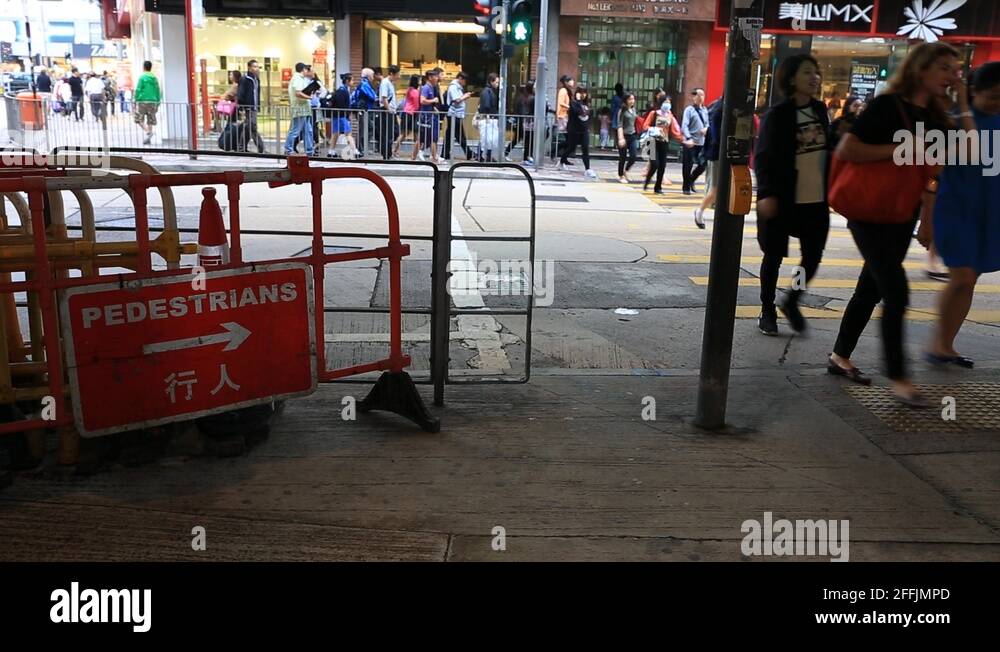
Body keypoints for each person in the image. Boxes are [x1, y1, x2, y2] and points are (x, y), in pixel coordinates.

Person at [828, 42, 961, 408]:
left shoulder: (938, 119)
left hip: (901, 213)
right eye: (946, 68)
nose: (954, 75)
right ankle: (900, 377)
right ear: (921, 70)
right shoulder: (888, 106)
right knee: (897, 292)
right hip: (867, 211)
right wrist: (899, 149)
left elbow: (933, 176)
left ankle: (839, 355)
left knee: (871, 287)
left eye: (956, 69)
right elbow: (847, 151)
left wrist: (927, 223)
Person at [926, 62, 1000, 369]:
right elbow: (934, 172)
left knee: (971, 279)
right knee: (963, 276)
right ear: (974, 92)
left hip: (990, 209)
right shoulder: (954, 121)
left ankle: (946, 344)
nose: (997, 103)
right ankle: (937, 343)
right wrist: (926, 218)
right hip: (956, 208)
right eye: (993, 96)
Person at [754, 55, 831, 338]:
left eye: (816, 72)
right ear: (791, 79)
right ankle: (767, 308)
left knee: (811, 258)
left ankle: (792, 299)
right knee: (773, 256)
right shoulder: (778, 114)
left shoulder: (820, 110)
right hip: (782, 198)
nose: (815, 78)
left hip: (815, 199)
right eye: (807, 72)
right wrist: (766, 193)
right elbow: (763, 157)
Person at [642, 92, 683, 194]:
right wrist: (654, 129)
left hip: (664, 142)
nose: (667, 104)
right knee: (655, 164)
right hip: (651, 142)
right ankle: (647, 180)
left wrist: (682, 139)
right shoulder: (654, 114)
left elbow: (674, 130)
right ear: (661, 103)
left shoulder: (670, 116)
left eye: (669, 102)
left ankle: (658, 187)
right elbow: (645, 126)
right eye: (665, 102)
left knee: (662, 166)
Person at [694, 95, 725, 228]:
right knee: (716, 188)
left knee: (718, 188)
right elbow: (717, 137)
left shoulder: (719, 107)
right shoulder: (720, 110)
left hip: (718, 154)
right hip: (717, 154)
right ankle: (699, 212)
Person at [559, 85, 596, 179]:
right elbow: (578, 111)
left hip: (584, 130)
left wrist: (588, 127)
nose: (583, 95)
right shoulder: (573, 103)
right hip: (574, 130)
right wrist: (578, 101)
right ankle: (562, 160)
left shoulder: (587, 104)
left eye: (585, 92)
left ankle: (587, 169)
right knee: (571, 148)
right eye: (581, 92)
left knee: (585, 149)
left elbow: (588, 116)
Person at [681, 88, 709, 195]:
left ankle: (691, 179)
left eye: (702, 95)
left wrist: (706, 129)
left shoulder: (705, 110)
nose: (701, 97)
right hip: (690, 142)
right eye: (698, 95)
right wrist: (688, 138)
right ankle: (686, 187)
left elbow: (707, 124)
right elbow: (684, 125)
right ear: (694, 97)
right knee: (687, 165)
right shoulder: (689, 110)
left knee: (703, 164)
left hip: (701, 142)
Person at [284, 62, 315, 156]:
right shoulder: (297, 78)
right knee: (295, 130)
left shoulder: (299, 78)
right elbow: (298, 93)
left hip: (304, 109)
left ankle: (309, 150)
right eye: (306, 69)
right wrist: (310, 97)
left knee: (308, 130)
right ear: (304, 70)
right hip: (299, 108)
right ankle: (288, 149)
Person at [236, 60, 265, 153]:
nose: (256, 69)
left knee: (248, 128)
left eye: (257, 67)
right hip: (248, 107)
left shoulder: (256, 80)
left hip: (254, 107)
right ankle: (261, 149)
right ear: (249, 68)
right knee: (253, 127)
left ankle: (241, 148)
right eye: (254, 67)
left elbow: (257, 94)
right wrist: (242, 107)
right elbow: (240, 94)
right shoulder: (245, 79)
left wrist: (258, 106)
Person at [414, 68, 442, 163]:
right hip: (425, 117)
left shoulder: (431, 88)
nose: (437, 78)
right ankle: (432, 157)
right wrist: (433, 100)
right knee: (426, 138)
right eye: (435, 76)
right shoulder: (426, 88)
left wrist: (434, 108)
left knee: (428, 138)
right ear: (430, 77)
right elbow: (422, 100)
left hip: (429, 116)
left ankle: (421, 156)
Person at [444, 71, 474, 160]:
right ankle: (469, 153)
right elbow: (456, 100)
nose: (465, 83)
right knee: (460, 135)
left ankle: (444, 153)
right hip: (454, 114)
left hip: (456, 114)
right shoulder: (453, 87)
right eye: (464, 81)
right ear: (460, 79)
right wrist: (465, 96)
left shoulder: (457, 87)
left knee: (449, 135)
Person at [329, 72, 358, 158]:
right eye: (352, 80)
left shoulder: (340, 90)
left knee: (335, 134)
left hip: (336, 115)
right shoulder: (343, 91)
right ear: (347, 81)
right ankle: (355, 151)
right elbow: (344, 105)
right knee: (348, 134)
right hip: (342, 116)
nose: (353, 82)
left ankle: (331, 151)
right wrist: (347, 114)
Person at [351, 68, 378, 156]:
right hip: (362, 110)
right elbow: (372, 96)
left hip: (364, 110)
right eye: (372, 75)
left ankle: (362, 148)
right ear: (368, 76)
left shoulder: (365, 83)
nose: (373, 77)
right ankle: (360, 148)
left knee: (366, 128)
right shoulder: (364, 84)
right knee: (365, 128)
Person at [133, 61, 160, 144]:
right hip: (153, 100)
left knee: (138, 119)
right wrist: (158, 100)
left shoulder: (142, 77)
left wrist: (135, 99)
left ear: (143, 67)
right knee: (150, 119)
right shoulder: (154, 78)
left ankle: (148, 132)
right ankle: (149, 137)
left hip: (142, 100)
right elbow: (158, 90)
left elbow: (138, 89)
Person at [377, 64, 401, 160]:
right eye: (397, 74)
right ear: (392, 73)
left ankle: (388, 153)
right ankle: (386, 155)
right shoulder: (385, 83)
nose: (399, 76)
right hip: (386, 111)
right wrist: (388, 110)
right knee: (387, 134)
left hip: (391, 111)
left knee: (394, 132)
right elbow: (384, 98)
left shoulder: (390, 83)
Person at [477, 72, 500, 162]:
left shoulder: (488, 91)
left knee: (488, 138)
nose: (497, 84)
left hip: (489, 117)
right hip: (488, 118)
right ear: (491, 81)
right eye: (496, 82)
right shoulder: (488, 91)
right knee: (487, 138)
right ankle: (483, 155)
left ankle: (485, 155)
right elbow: (486, 105)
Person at [615, 92, 638, 183]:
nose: (632, 101)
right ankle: (621, 175)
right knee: (623, 157)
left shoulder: (634, 110)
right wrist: (621, 138)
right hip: (624, 136)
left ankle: (626, 170)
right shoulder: (622, 111)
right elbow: (619, 125)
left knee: (634, 155)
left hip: (632, 135)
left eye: (633, 99)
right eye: (630, 99)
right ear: (625, 100)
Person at [515, 82, 536, 164]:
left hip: (527, 121)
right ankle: (527, 157)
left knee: (528, 140)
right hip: (530, 121)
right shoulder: (531, 98)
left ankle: (527, 157)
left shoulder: (526, 97)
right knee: (529, 140)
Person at [400, 74, 421, 157]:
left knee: (404, 134)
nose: (420, 82)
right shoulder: (415, 91)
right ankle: (414, 155)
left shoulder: (409, 89)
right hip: (412, 113)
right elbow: (416, 105)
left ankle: (395, 150)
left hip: (407, 112)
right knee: (414, 135)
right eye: (419, 80)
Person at [556, 75, 575, 165]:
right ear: (567, 82)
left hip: (566, 116)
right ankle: (557, 151)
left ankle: (563, 158)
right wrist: (570, 107)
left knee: (570, 140)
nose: (573, 82)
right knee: (569, 139)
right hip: (563, 116)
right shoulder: (563, 90)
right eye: (571, 80)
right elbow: (561, 103)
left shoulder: (567, 91)